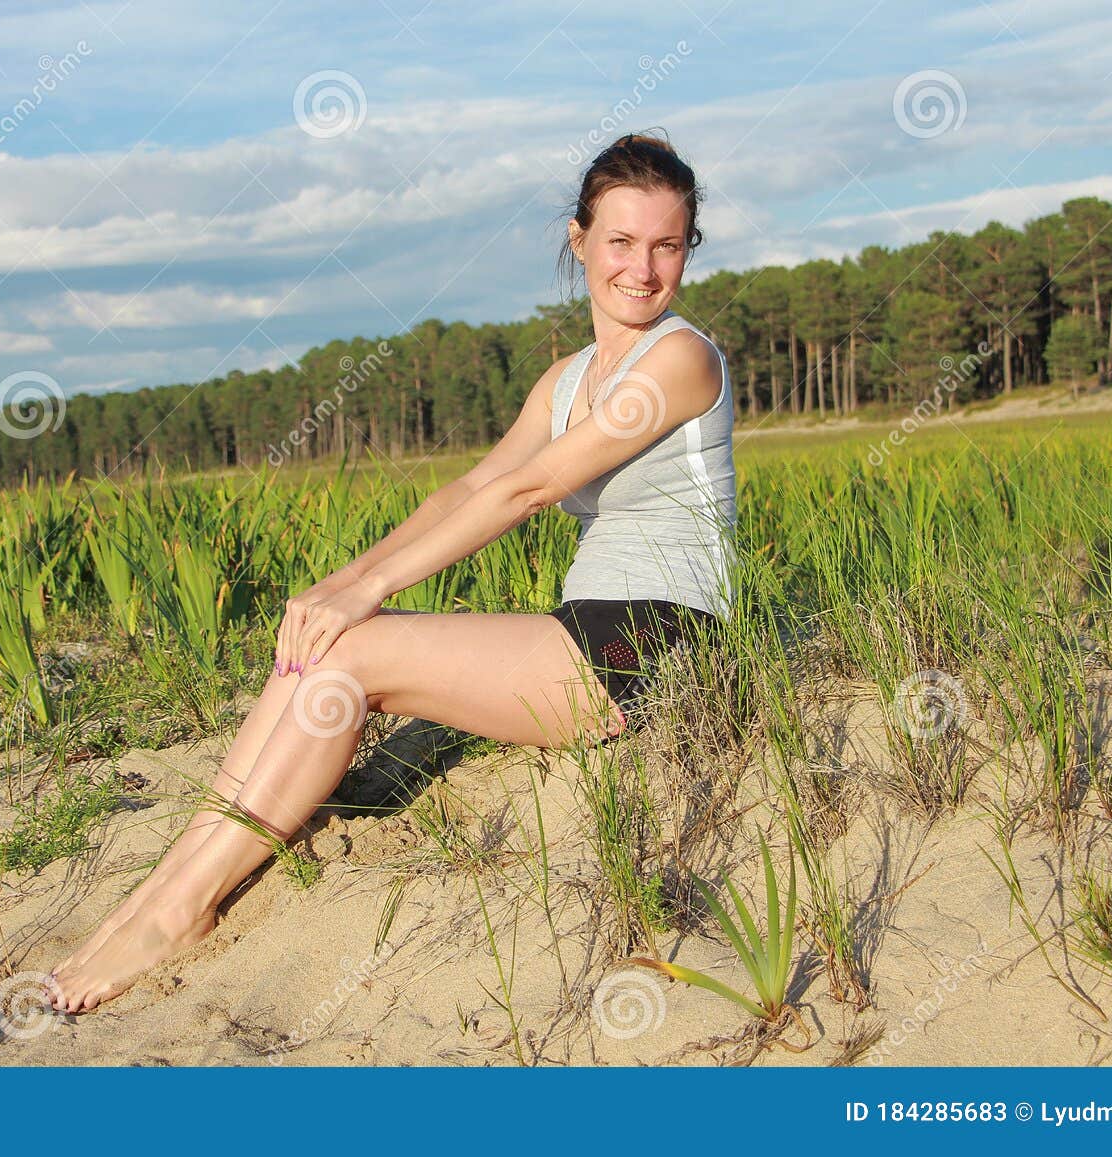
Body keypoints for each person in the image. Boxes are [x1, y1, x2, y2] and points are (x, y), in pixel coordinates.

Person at [43, 131, 738, 1014]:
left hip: (659, 640)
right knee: (317, 645)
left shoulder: (681, 357)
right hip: (587, 629)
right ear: (579, 241)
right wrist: (341, 583)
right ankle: (165, 888)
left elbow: (528, 490)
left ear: (687, 251)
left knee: (356, 652)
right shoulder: (566, 380)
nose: (642, 268)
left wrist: (375, 591)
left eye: (666, 245)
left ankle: (182, 911)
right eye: (622, 241)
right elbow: (473, 484)